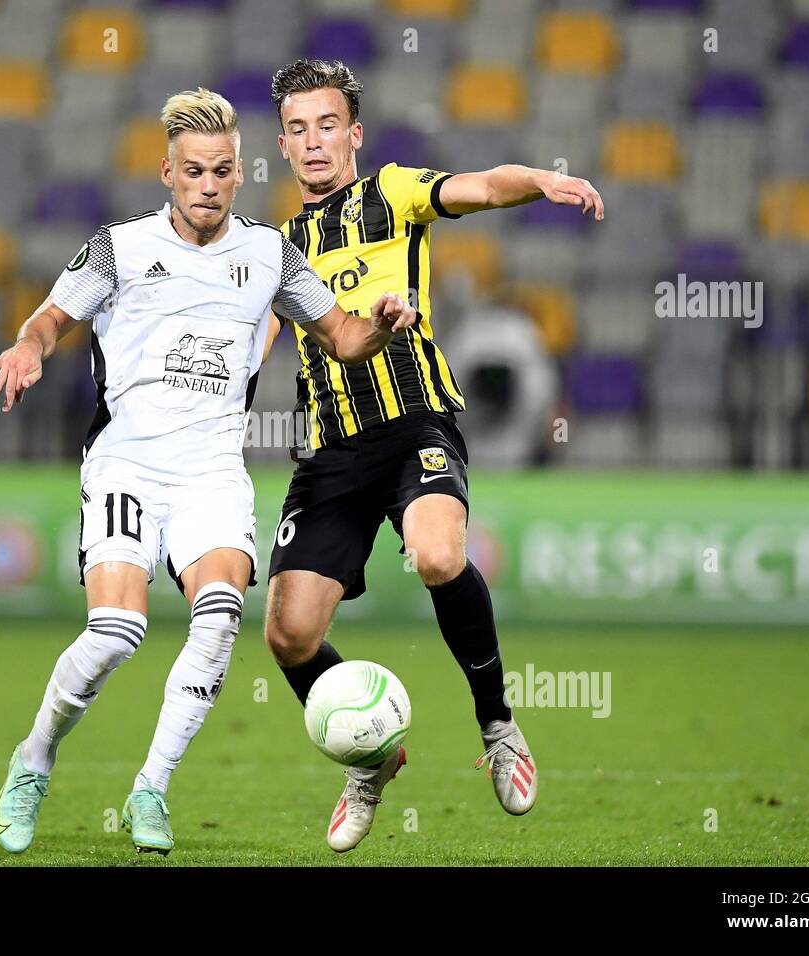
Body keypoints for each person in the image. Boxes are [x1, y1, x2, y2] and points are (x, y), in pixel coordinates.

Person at [0, 87, 418, 856]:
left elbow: (343, 336)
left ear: (239, 173)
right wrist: (28, 347)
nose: (208, 185)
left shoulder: (269, 255)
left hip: (212, 473)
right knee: (116, 632)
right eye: (193, 172)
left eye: (221, 171)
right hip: (127, 463)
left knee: (217, 621)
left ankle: (152, 786)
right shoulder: (120, 247)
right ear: (168, 173)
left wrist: (380, 327)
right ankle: (34, 756)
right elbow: (51, 316)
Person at [262, 59, 605, 852]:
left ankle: (497, 728)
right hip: (329, 450)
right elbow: (255, 340)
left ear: (353, 133)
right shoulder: (277, 249)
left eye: (327, 126)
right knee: (288, 637)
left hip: (415, 418)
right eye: (298, 130)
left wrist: (544, 183)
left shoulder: (394, 190)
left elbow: (482, 186)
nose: (314, 143)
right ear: (282, 145)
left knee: (439, 555)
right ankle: (371, 758)